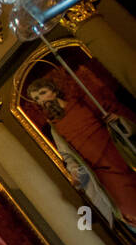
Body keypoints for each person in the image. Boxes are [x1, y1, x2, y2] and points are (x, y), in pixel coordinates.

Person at [25, 74, 136, 233]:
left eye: (42, 93)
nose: (42, 100)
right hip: (104, 173)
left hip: (121, 156)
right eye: (37, 98)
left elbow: (120, 120)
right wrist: (76, 173)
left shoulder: (83, 103)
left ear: (54, 91)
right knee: (130, 209)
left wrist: (116, 120)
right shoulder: (55, 127)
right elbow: (68, 156)